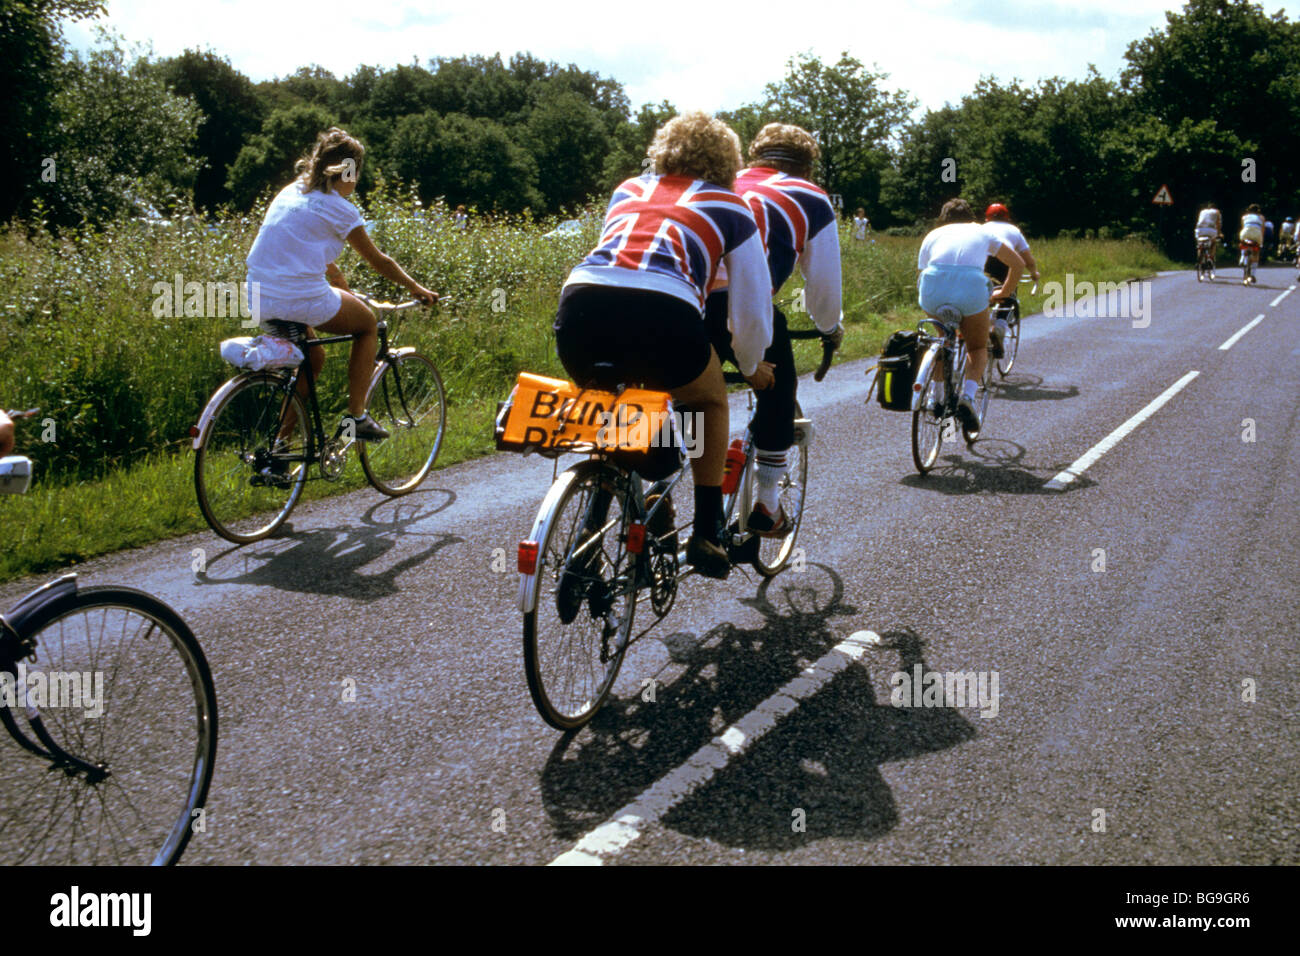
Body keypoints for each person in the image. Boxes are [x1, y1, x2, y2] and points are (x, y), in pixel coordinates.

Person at [554, 111, 773, 578]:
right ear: (728, 161)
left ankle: (595, 524)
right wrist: (752, 364)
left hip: (580, 306)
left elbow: (622, 261)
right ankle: (709, 530)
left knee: (618, 399)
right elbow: (752, 308)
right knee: (706, 402)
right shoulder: (733, 206)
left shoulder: (628, 189)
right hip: (663, 311)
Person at [245, 127, 437, 443]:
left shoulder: (291, 192)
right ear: (348, 170)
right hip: (298, 296)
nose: (356, 180)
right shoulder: (340, 208)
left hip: (257, 294)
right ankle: (357, 417)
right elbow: (379, 261)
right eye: (355, 172)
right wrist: (417, 288)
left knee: (313, 359)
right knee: (366, 326)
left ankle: (280, 447)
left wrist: (335, 277)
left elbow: (296, 241)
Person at [703, 122, 843, 536]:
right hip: (740, 302)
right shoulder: (811, 197)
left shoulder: (719, 182)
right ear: (807, 167)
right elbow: (824, 285)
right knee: (777, 389)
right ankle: (767, 504)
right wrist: (829, 327)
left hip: (687, 298)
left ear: (753, 156)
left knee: (687, 394)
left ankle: (656, 482)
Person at [917, 198, 1024, 433]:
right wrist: (1004, 293)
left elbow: (922, 271)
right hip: (971, 288)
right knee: (977, 347)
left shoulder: (932, 235)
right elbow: (1017, 264)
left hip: (932, 288)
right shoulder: (981, 232)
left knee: (942, 340)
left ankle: (936, 398)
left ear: (943, 219)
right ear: (972, 217)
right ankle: (968, 397)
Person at [981, 203, 1039, 358]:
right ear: (1007, 217)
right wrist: (1034, 273)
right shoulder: (1014, 231)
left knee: (983, 293)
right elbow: (1027, 258)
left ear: (987, 218)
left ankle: (982, 322)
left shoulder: (982, 228)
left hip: (983, 261)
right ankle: (1000, 324)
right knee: (1008, 293)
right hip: (1005, 261)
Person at [1239, 204, 1265, 276]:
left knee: (1243, 243)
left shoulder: (1244, 217)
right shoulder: (1261, 217)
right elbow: (1262, 229)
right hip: (1257, 234)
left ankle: (1242, 257)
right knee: (1256, 253)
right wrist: (1261, 240)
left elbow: (1243, 227)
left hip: (1246, 232)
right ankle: (1253, 274)